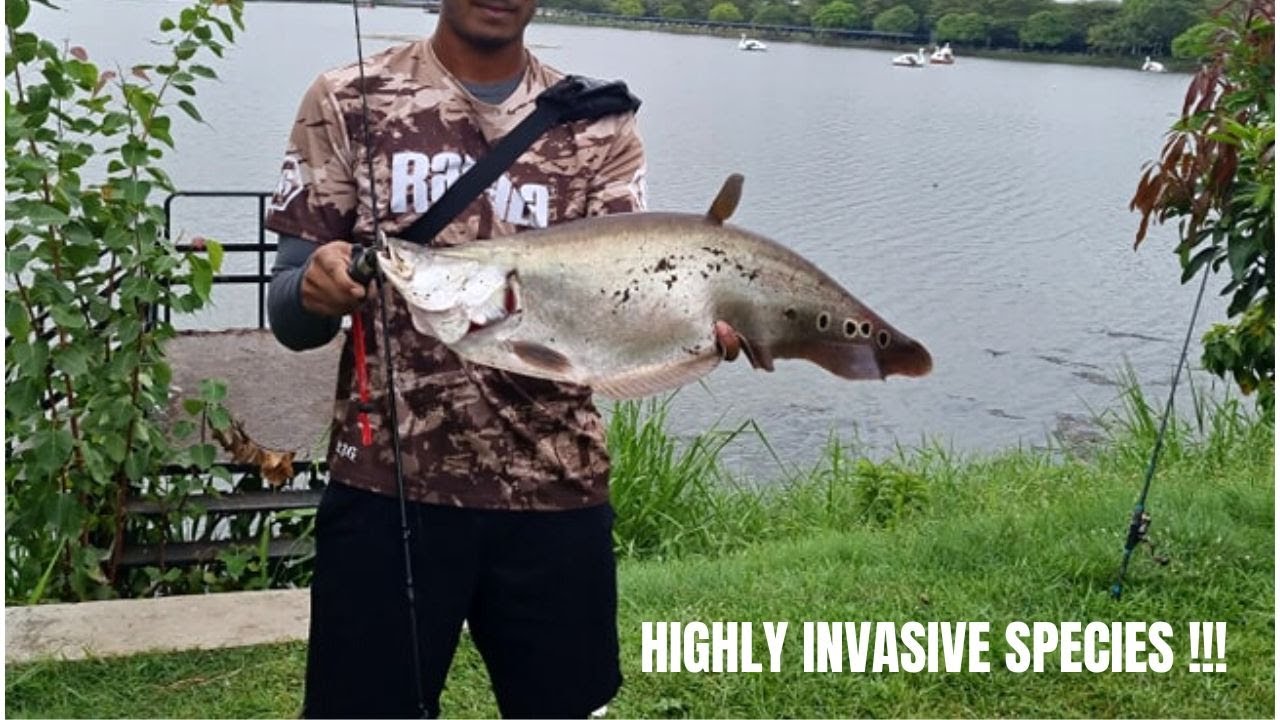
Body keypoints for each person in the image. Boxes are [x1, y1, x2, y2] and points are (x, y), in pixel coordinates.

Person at [265, 0, 745, 716]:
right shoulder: (345, 98)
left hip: (554, 487)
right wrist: (314, 287)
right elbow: (287, 314)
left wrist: (696, 323)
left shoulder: (598, 124)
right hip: (385, 489)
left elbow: (622, 303)